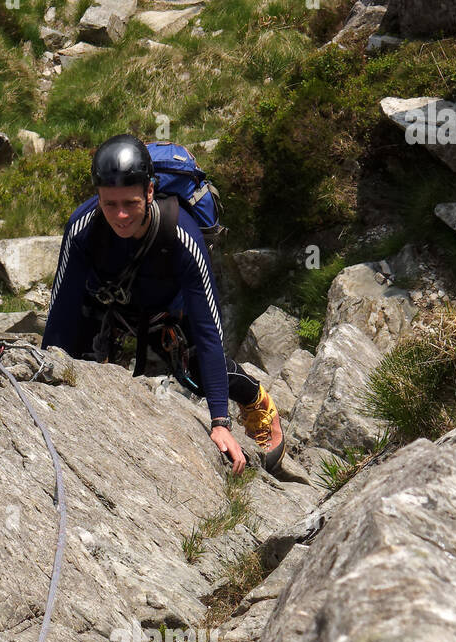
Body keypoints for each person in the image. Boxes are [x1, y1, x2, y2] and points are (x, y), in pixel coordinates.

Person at [41, 134, 286, 476]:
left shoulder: (182, 238)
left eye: (130, 202)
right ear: (98, 197)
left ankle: (255, 401)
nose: (121, 215)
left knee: (197, 370)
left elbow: (207, 332)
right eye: (109, 204)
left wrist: (219, 421)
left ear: (150, 192)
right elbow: (61, 314)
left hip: (168, 309)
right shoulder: (83, 228)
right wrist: (47, 383)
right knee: (79, 368)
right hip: (105, 304)